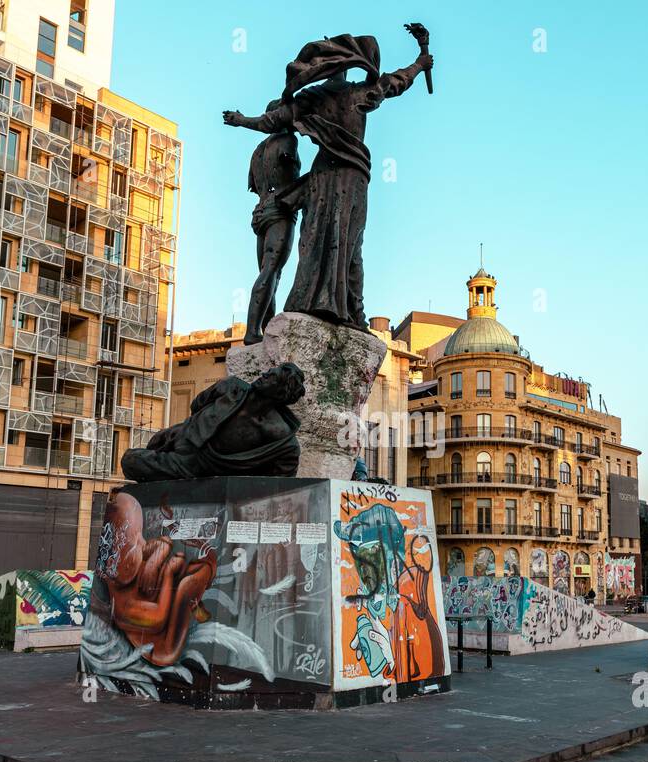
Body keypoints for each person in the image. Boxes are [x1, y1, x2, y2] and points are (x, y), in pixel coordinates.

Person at [224, 34, 432, 331]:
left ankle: (330, 306)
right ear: (347, 67)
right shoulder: (361, 92)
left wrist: (242, 120)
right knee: (350, 242)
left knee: (317, 238)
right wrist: (421, 61)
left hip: (325, 175)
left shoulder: (311, 99)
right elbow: (396, 82)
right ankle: (351, 310)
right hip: (351, 175)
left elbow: (271, 121)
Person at [120, 363, 305, 481]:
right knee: (154, 442)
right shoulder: (232, 387)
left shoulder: (281, 438)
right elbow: (197, 405)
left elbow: (280, 483)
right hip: (184, 435)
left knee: (131, 461)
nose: (264, 373)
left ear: (280, 391)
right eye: (268, 371)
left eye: (271, 376)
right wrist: (187, 430)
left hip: (194, 467)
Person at [240, 101, 303, 345]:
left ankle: (266, 329)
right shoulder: (289, 141)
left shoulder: (257, 151)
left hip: (260, 213)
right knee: (271, 271)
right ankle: (252, 331)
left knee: (268, 274)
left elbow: (254, 186)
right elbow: (290, 168)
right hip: (280, 209)